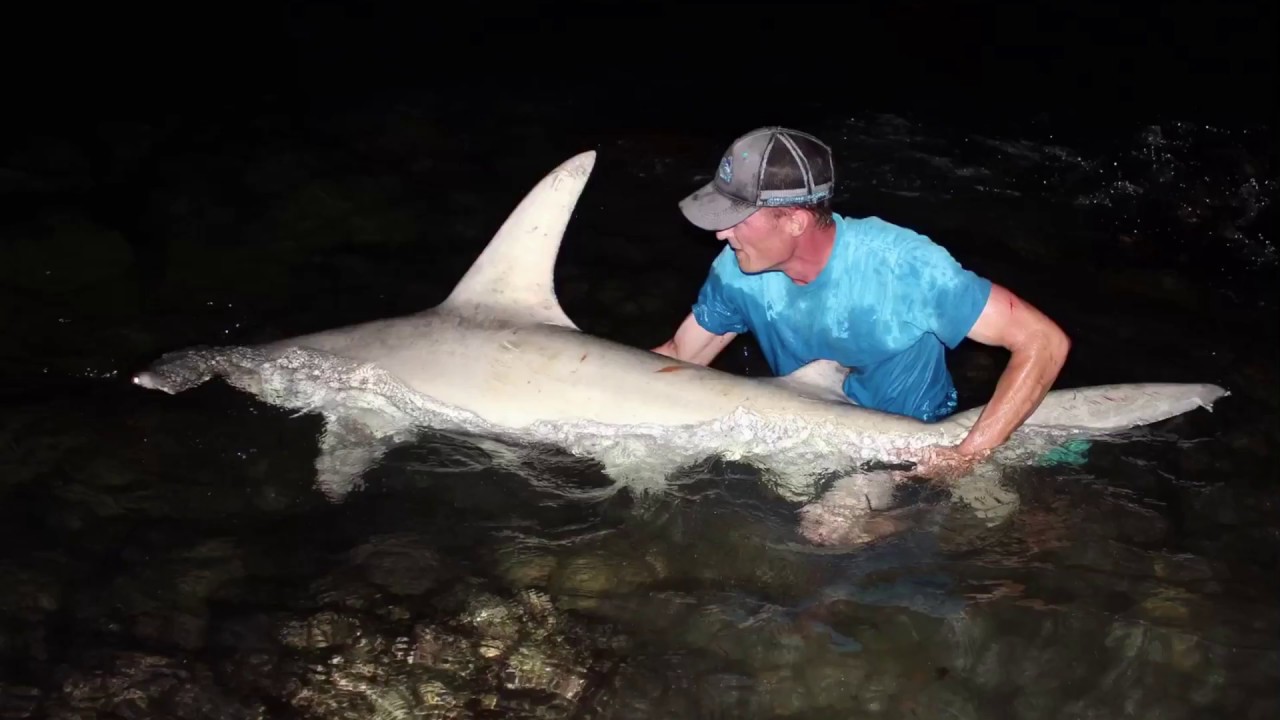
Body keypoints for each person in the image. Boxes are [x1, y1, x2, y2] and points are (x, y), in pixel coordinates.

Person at [652, 126, 1071, 479]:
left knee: (831, 534)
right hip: (807, 432)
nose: (721, 234)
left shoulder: (902, 268)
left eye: (736, 217)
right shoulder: (735, 270)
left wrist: (968, 455)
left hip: (910, 447)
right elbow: (678, 356)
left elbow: (1043, 341)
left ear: (795, 219)